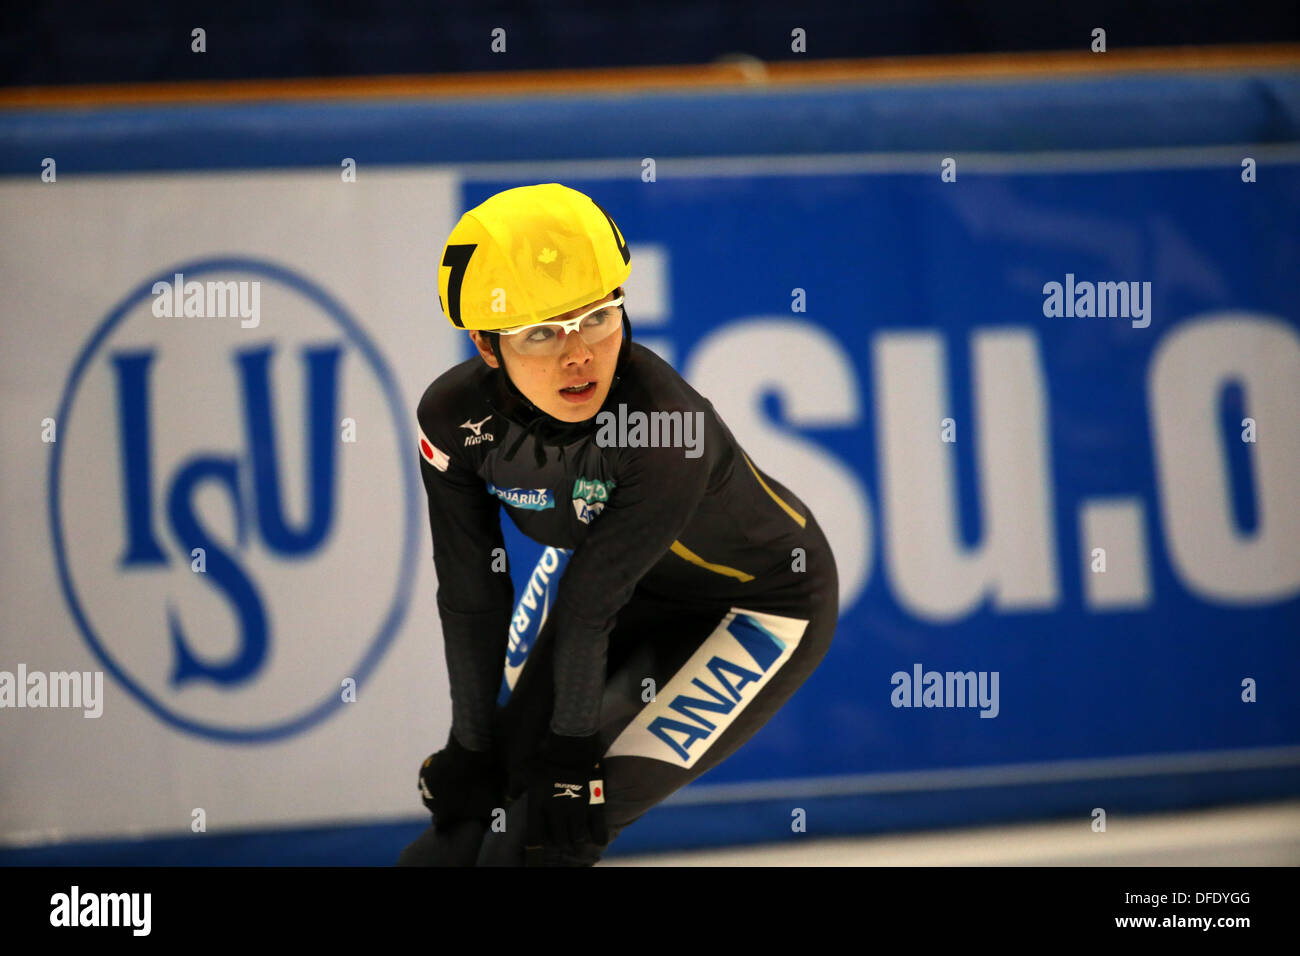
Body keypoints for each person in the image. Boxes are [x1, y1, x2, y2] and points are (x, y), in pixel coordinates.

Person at [398, 182, 838, 866]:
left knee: (543, 835)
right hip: (624, 587)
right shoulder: (452, 420)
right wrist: (471, 743)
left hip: (759, 602)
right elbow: (470, 595)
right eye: (541, 332)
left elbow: (587, 605)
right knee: (459, 833)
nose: (578, 354)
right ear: (487, 347)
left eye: (598, 318)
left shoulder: (666, 426)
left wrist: (572, 754)